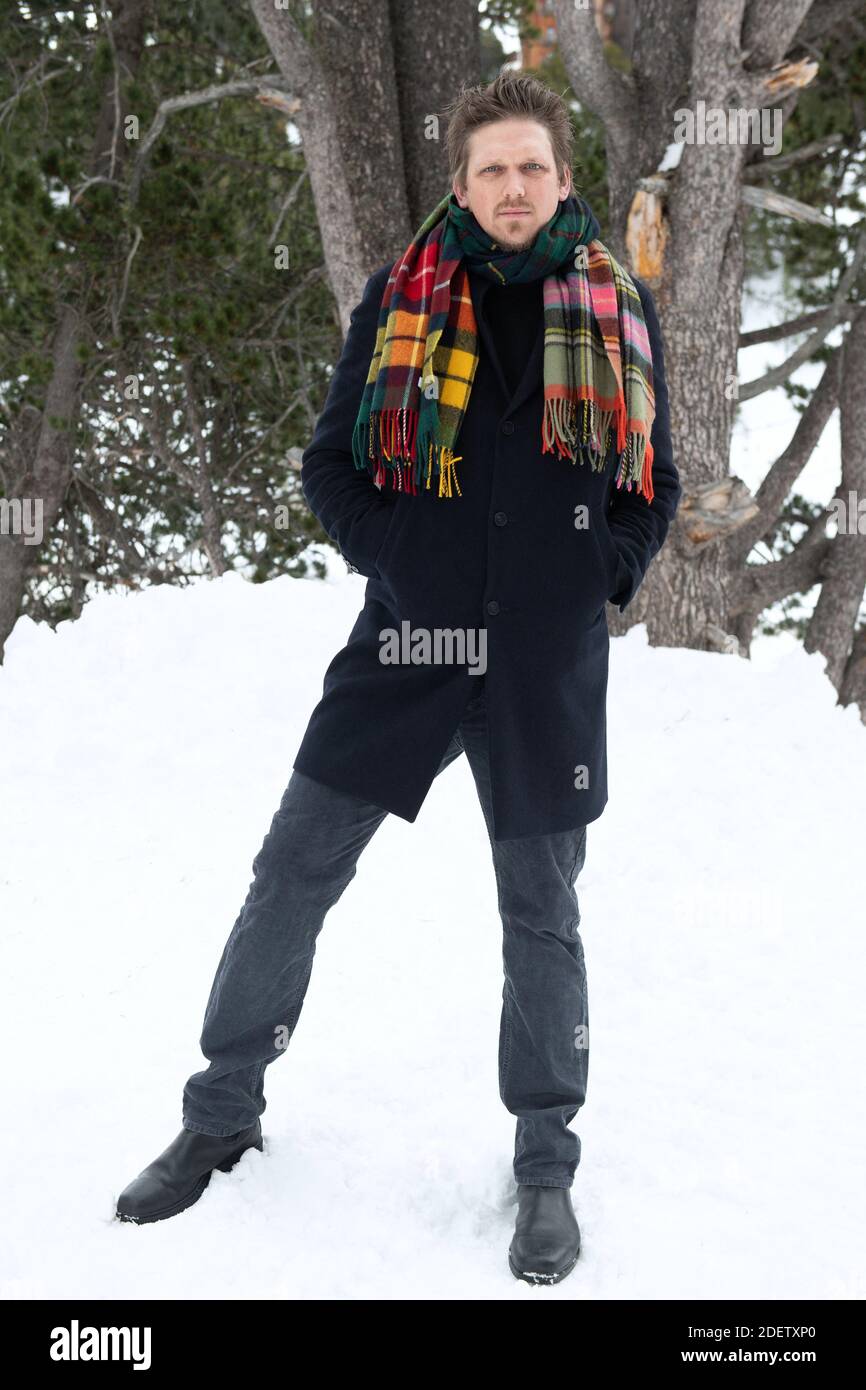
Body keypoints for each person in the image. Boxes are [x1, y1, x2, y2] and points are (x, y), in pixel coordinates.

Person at [116, 70, 681, 1287]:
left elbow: (651, 486)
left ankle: (543, 1164)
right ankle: (220, 1113)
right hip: (408, 647)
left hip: (542, 665)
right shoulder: (403, 296)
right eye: (492, 169)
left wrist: (596, 579)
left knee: (541, 915)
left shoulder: (615, 307)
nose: (514, 186)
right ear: (462, 183)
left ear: (560, 179)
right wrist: (411, 567)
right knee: (292, 871)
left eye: (532, 166)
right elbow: (331, 470)